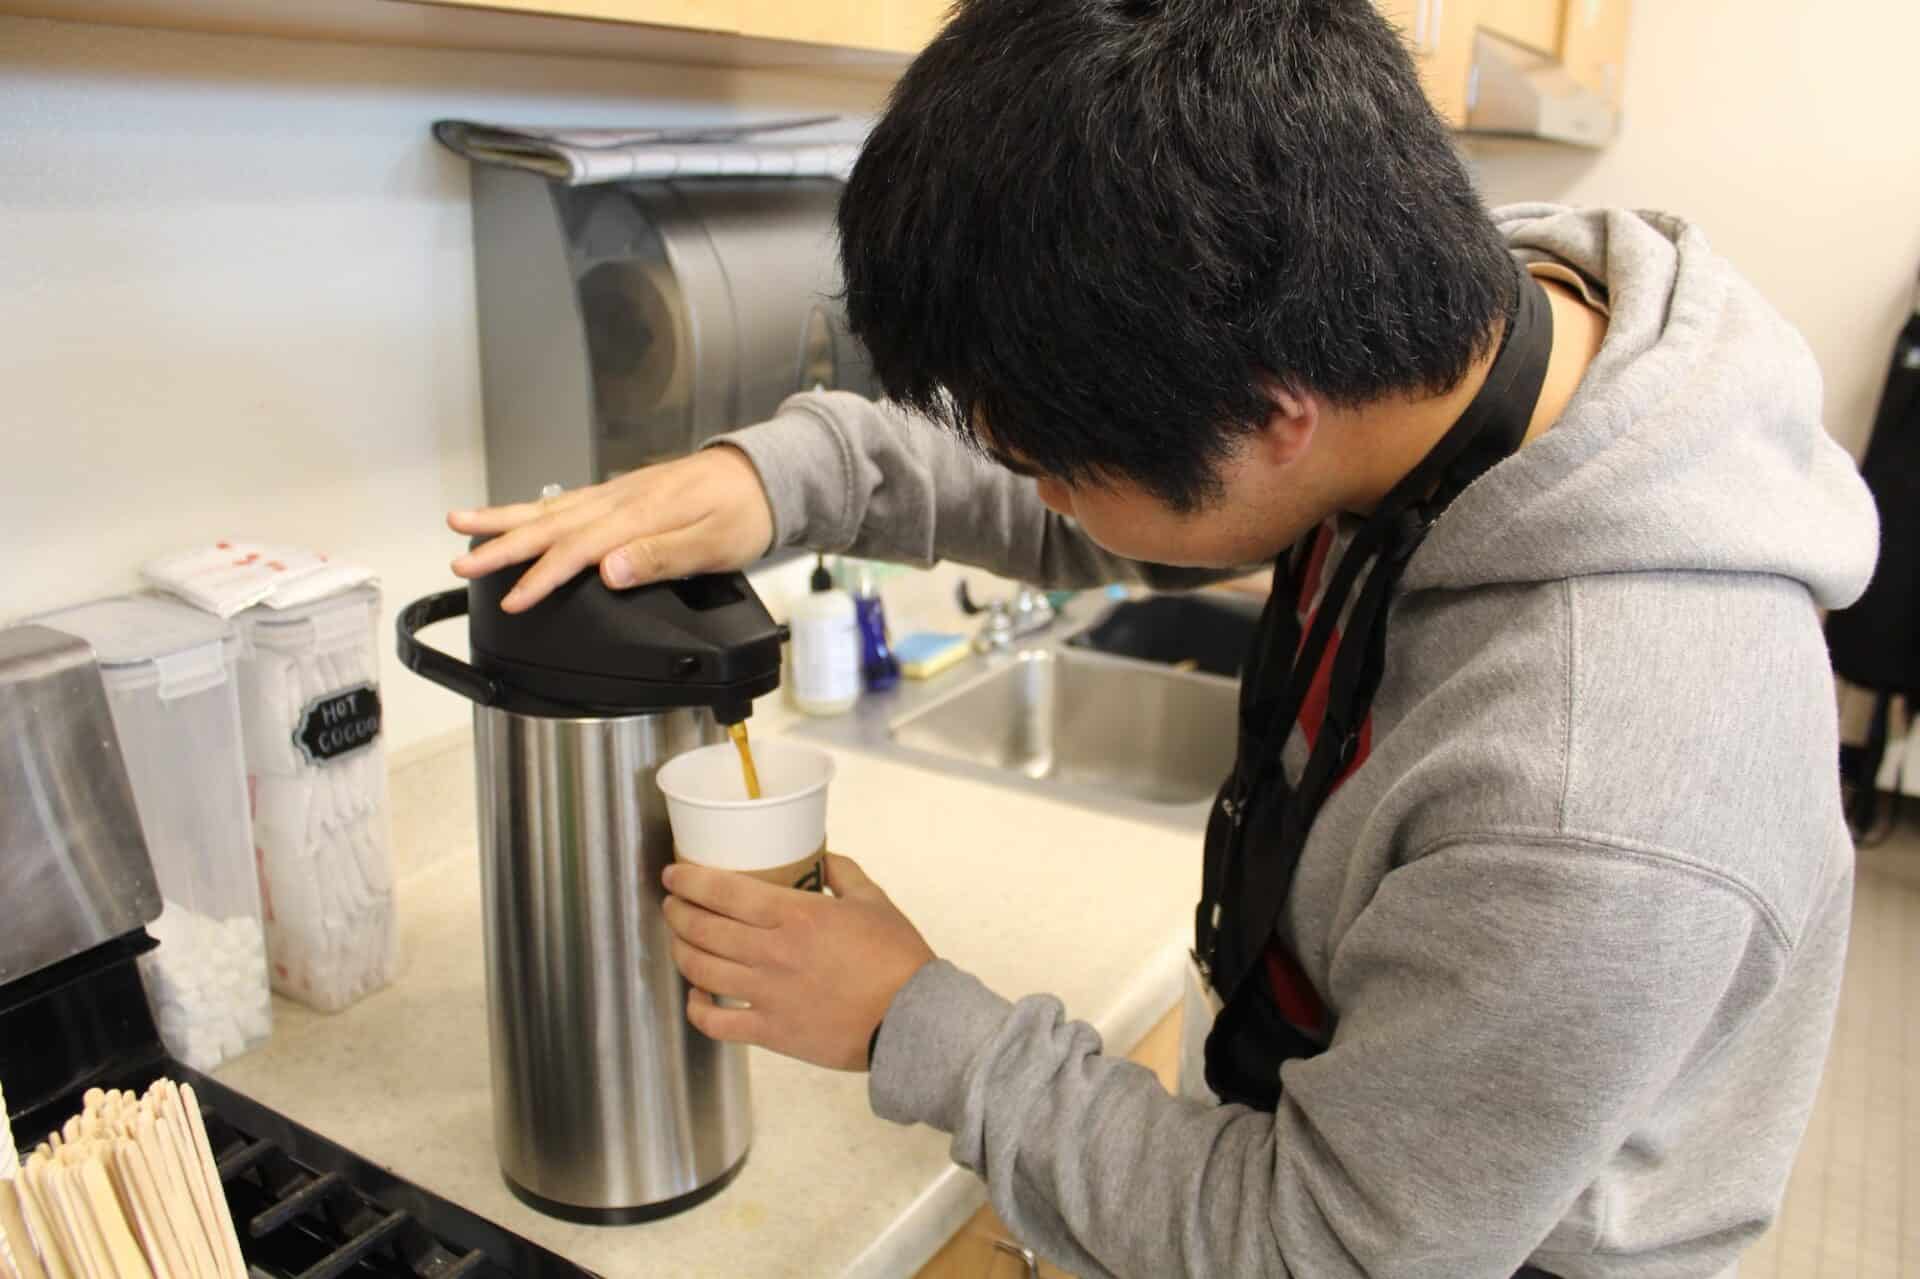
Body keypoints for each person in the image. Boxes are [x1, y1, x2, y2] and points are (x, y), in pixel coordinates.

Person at [445, 1, 1878, 1274]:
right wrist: (778, 479)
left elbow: (1314, 1246)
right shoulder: (1416, 327)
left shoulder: (1600, 798)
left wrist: (907, 1021)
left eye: (1051, 459)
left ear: (1271, 417)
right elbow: (1140, 506)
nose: (1039, 499)